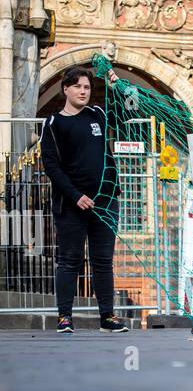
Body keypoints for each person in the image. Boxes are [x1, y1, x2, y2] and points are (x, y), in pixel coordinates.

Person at [41, 65, 128, 333]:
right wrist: (75, 195)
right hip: (72, 205)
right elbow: (52, 166)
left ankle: (108, 318)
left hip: (105, 201)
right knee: (70, 260)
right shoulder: (54, 123)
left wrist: (117, 91)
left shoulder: (98, 114)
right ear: (65, 89)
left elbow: (123, 120)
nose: (83, 91)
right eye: (77, 86)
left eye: (87, 87)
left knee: (103, 261)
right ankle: (65, 317)